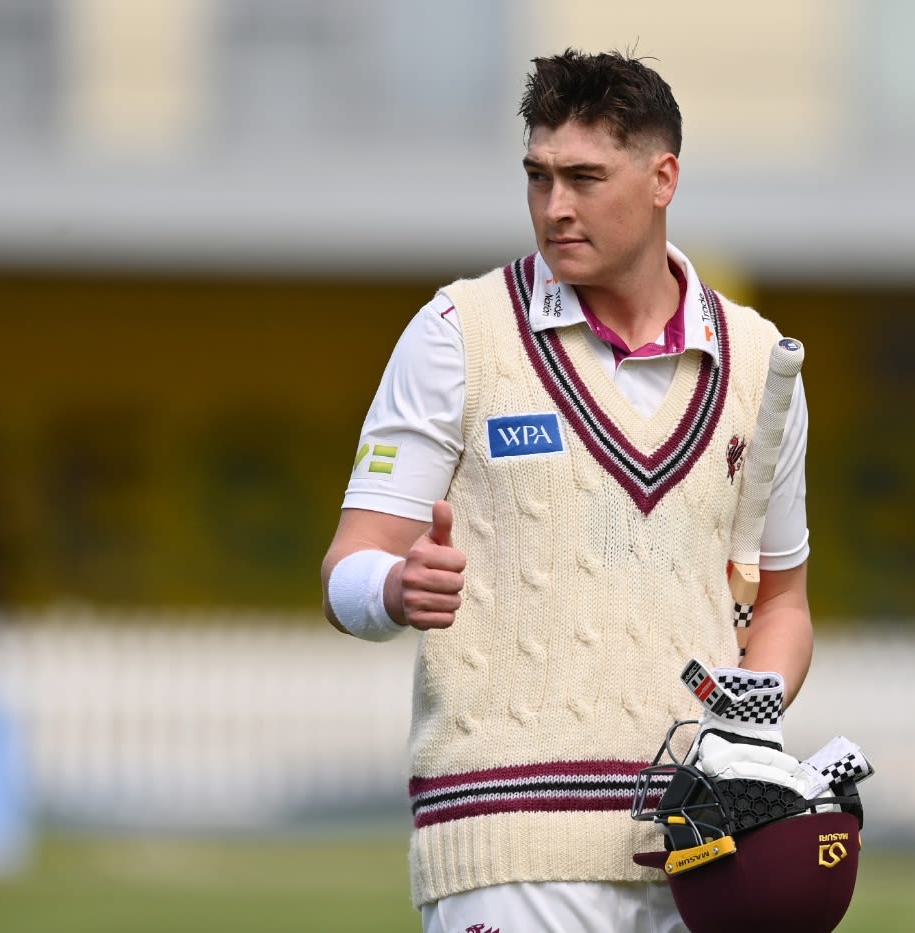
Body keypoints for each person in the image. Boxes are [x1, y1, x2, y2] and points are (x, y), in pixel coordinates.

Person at [321, 48, 813, 933]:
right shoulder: (456, 333)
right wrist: (394, 588)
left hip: (702, 849)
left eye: (585, 178)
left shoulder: (761, 364)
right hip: (507, 842)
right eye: (538, 176)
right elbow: (346, 568)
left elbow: (781, 603)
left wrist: (749, 742)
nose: (555, 206)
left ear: (663, 179)